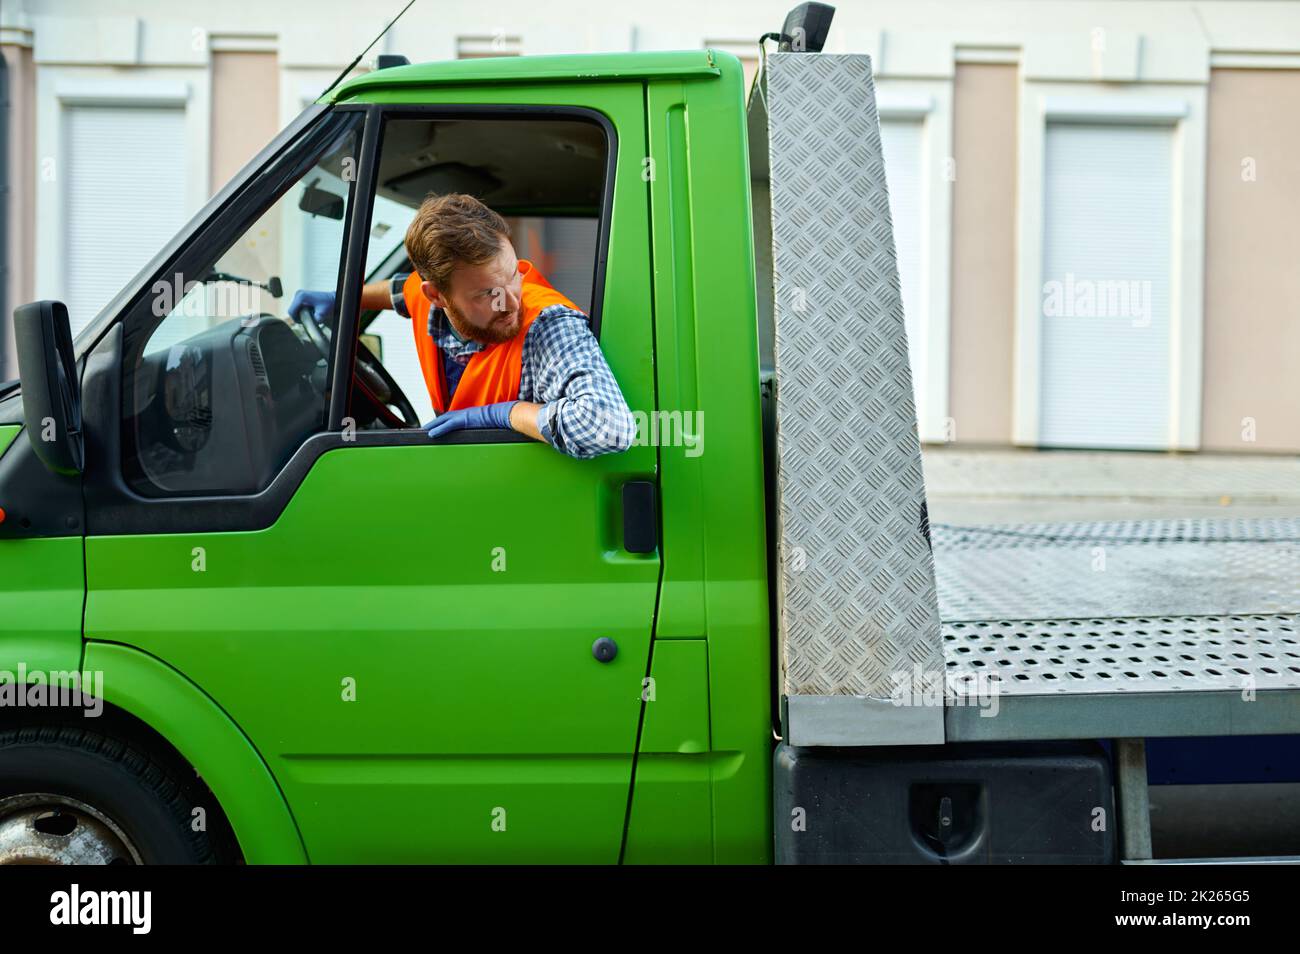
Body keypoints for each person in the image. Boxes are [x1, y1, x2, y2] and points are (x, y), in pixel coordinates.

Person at [289, 192, 636, 459]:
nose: (511, 302)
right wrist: (344, 298)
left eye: (514, 274)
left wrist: (503, 415)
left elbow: (609, 428)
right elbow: (401, 290)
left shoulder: (547, 326)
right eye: (487, 293)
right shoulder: (425, 297)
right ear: (438, 295)